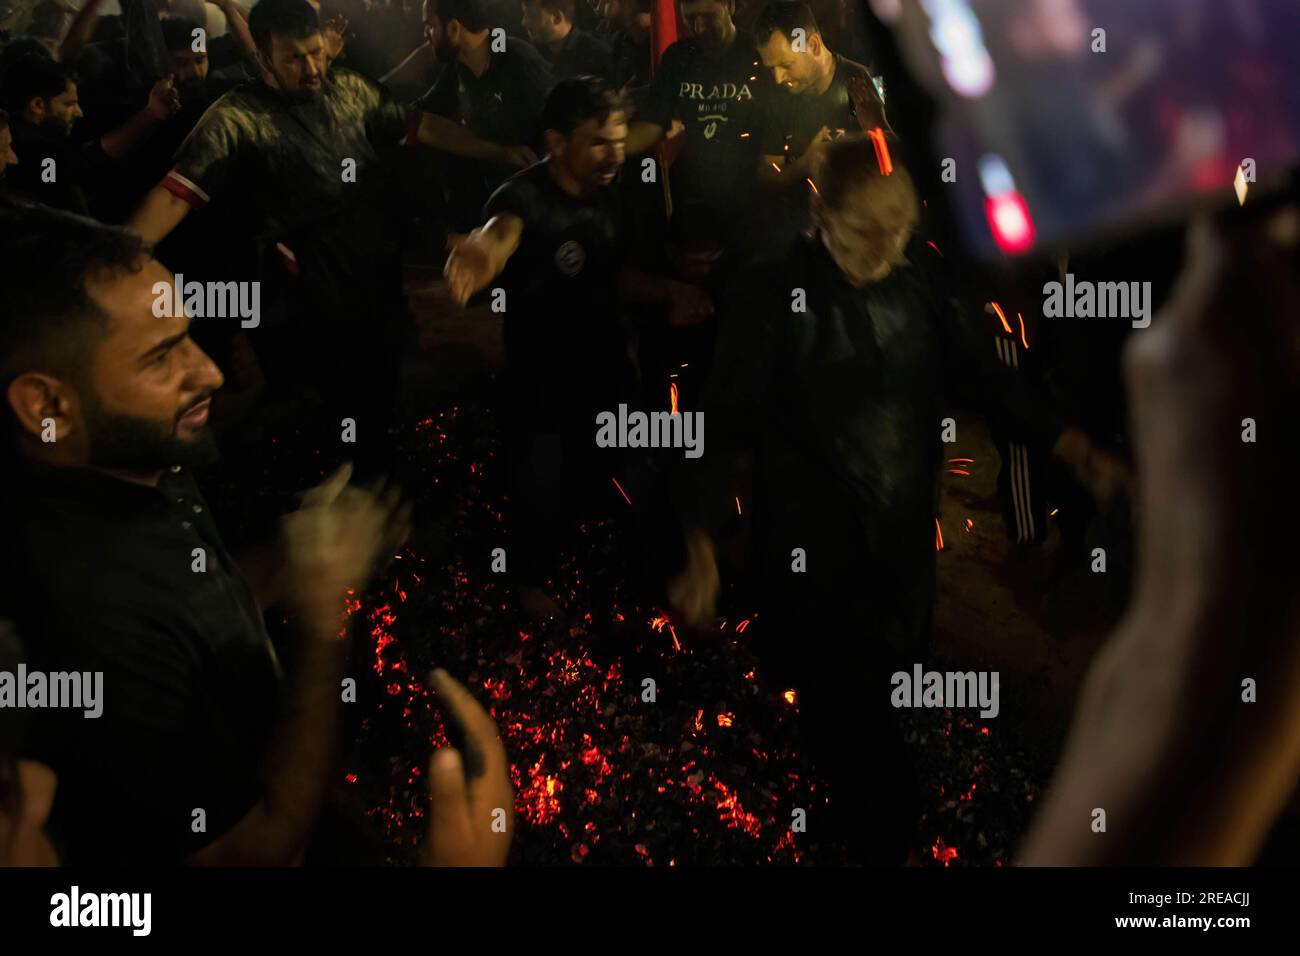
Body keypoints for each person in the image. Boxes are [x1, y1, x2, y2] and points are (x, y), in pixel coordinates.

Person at [669, 136, 1127, 862]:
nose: (884, 248)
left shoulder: (920, 283)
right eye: (863, 230)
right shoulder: (771, 291)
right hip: (810, 553)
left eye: (900, 228)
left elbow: (991, 375)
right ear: (818, 209)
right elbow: (723, 426)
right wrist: (697, 539)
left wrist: (1074, 447)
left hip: (904, 541)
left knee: (884, 683)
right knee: (858, 727)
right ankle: (886, 839)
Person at [0, 205, 410, 863]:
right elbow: (252, 853)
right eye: (161, 356)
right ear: (47, 405)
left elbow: (187, 605)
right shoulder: (88, 624)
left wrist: (290, 564)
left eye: (189, 337)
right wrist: (322, 617)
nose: (211, 373)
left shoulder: (129, 452)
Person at [444, 76, 710, 617]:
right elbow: (500, 233)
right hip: (541, 381)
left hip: (610, 366)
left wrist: (670, 291)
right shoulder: (522, 197)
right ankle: (528, 584)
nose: (614, 153)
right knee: (539, 487)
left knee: (642, 468)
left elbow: (614, 274)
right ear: (557, 143)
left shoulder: (612, 195)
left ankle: (663, 578)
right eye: (598, 141)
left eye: (618, 139)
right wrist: (481, 255)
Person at [129, 0, 411, 476]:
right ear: (264, 59)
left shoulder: (349, 89)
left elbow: (414, 127)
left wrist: (502, 152)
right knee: (316, 394)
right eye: (295, 59)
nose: (312, 67)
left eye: (317, 52)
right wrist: (116, 253)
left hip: (371, 265)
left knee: (381, 378)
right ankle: (326, 491)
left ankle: (378, 475)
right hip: (300, 280)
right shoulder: (237, 117)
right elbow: (175, 195)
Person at [624, 0, 772, 254]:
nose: (699, 26)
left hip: (752, 200)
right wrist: (613, 148)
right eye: (690, 18)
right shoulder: (678, 57)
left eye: (708, 15)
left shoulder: (759, 54)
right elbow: (653, 123)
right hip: (695, 201)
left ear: (730, 6)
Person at [414, 0, 554, 227]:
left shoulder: (517, 60)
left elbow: (557, 126)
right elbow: (421, 111)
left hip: (532, 209)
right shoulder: (459, 68)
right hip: (490, 202)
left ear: (454, 28)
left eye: (430, 25)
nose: (426, 34)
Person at [0, 54, 179, 215]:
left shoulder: (36, 142)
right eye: (69, 104)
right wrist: (152, 114)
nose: (79, 112)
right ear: (38, 105)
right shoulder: (37, 152)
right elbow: (88, 162)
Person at [520, 0, 614, 80]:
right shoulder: (534, 53)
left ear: (557, 18)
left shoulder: (596, 57)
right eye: (524, 14)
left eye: (532, 15)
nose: (524, 22)